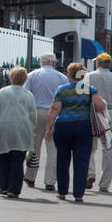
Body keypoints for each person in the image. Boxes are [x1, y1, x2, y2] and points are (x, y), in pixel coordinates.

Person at [45, 62, 108, 203]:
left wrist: (49, 128)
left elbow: (55, 109)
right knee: (81, 161)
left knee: (62, 159)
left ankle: (62, 192)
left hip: (63, 127)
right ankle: (79, 193)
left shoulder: (62, 89)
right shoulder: (90, 89)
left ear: (69, 75)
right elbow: (100, 106)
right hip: (83, 127)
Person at [0, 66, 36, 199]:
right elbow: (32, 114)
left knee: (3, 158)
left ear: (11, 78)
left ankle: (3, 186)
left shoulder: (3, 92)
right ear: (24, 80)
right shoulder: (28, 94)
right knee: (17, 159)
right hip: (21, 129)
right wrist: (32, 128)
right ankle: (14, 189)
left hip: (3, 128)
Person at [23, 53, 68, 190]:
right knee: (53, 149)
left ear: (41, 62)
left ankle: (30, 176)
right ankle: (50, 181)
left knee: (34, 146)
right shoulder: (62, 77)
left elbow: (26, 95)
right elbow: (65, 98)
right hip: (54, 113)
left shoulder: (32, 75)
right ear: (53, 63)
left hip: (36, 112)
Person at [85, 53, 112, 192]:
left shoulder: (90, 76)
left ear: (98, 63)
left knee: (89, 146)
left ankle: (90, 172)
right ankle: (105, 183)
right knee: (108, 150)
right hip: (111, 113)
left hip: (93, 112)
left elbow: (85, 95)